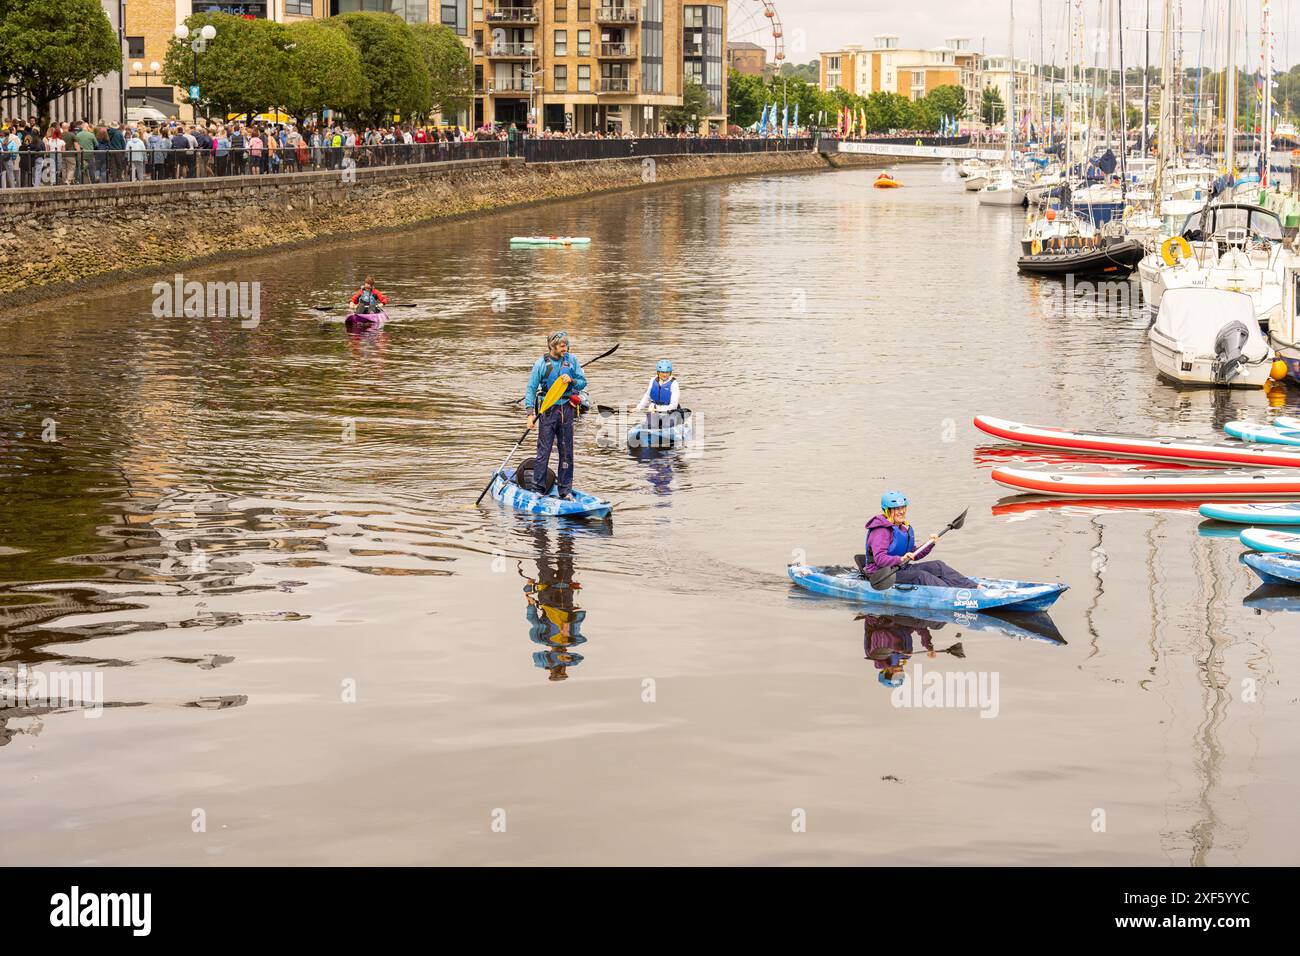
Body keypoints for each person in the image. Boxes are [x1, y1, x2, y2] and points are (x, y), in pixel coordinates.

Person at [863, 491, 979, 588]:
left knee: (938, 565)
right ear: (887, 510)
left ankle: (973, 587)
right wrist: (901, 559)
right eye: (896, 508)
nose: (901, 511)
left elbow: (914, 554)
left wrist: (930, 544)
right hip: (882, 574)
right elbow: (880, 559)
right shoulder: (880, 531)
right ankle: (952, 594)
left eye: (903, 507)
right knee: (921, 575)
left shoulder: (902, 528)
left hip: (900, 568)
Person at [524, 331, 588, 499]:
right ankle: (538, 488)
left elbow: (583, 382)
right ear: (552, 346)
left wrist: (572, 381)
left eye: (566, 345)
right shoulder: (541, 364)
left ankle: (565, 490)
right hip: (547, 410)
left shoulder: (572, 361)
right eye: (562, 346)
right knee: (544, 450)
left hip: (566, 408)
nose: (565, 348)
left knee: (566, 451)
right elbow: (531, 389)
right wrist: (530, 414)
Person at [634, 359, 681, 430]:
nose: (665, 374)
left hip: (669, 411)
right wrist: (638, 407)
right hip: (654, 409)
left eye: (667, 372)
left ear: (670, 372)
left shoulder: (674, 384)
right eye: (662, 372)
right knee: (650, 426)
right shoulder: (653, 380)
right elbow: (647, 396)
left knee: (666, 427)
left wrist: (658, 409)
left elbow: (673, 406)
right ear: (658, 372)